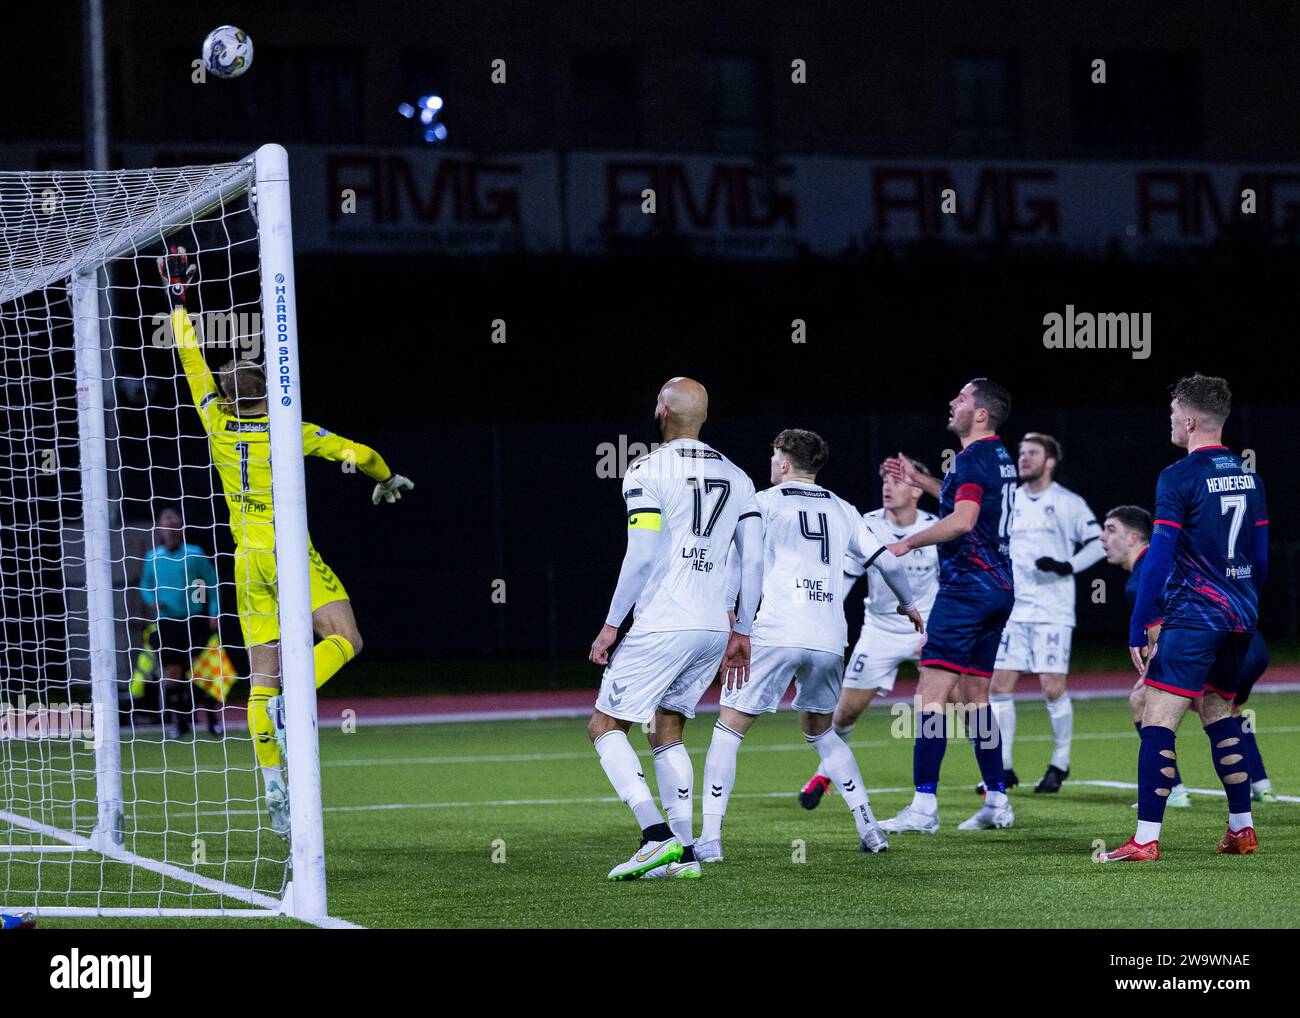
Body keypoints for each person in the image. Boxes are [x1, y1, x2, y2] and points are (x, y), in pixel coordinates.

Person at [158, 247, 413, 835]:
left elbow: (190, 354)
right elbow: (363, 454)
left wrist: (179, 297)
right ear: (269, 392)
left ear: (223, 395)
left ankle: (272, 780)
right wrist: (385, 478)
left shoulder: (215, 419)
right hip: (291, 556)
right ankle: (293, 701)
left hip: (245, 562)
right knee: (346, 639)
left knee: (260, 677)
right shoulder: (288, 426)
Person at [699, 430, 920, 860]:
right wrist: (909, 604)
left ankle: (709, 839)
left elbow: (742, 560)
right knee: (822, 733)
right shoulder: (842, 508)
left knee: (728, 730)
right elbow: (889, 560)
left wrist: (730, 613)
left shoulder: (763, 502)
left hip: (778, 630)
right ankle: (870, 828)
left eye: (773, 456)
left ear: (783, 463)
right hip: (829, 635)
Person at [587, 377, 761, 881]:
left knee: (604, 725)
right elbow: (752, 559)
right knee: (667, 729)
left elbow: (641, 553)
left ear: (662, 410)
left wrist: (610, 625)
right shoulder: (738, 475)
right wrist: (743, 629)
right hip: (712, 626)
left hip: (664, 621)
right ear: (703, 418)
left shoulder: (645, 467)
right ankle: (684, 854)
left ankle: (654, 836)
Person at [1100, 374, 1268, 862]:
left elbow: (1159, 556)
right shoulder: (1248, 475)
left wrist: (1140, 621)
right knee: (1219, 714)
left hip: (1195, 616)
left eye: (1174, 414)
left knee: (1158, 718)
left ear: (1190, 420)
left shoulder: (1178, 475)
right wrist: (1244, 602)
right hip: (1241, 616)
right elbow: (1259, 557)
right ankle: (1242, 829)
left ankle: (1146, 840)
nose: (1171, 422)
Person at [877, 378, 1019, 834]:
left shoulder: (974, 456)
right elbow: (967, 503)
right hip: (998, 587)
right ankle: (997, 800)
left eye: (961, 398)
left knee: (930, 698)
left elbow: (963, 520)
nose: (952, 403)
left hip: (967, 590)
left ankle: (923, 806)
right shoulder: (997, 455)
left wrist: (907, 542)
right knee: (976, 698)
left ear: (980, 413)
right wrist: (921, 481)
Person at [799, 457, 938, 810]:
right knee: (844, 714)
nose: (888, 488)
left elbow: (950, 583)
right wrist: (818, 613)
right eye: (885, 481)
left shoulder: (937, 528)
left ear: (918, 490)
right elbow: (845, 577)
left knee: (962, 703)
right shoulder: (867, 524)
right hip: (879, 631)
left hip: (929, 628)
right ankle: (824, 773)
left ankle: (994, 784)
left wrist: (940, 628)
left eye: (897, 481)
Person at [987, 433, 1104, 794]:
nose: (1024, 458)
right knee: (998, 686)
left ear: (1049, 461)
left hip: (1052, 609)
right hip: (1013, 610)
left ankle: (1059, 763)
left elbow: (1099, 543)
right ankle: (1003, 767)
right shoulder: (1010, 501)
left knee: (1052, 687)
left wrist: (1067, 565)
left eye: (1032, 453)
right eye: (1021, 453)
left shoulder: (1068, 502)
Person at [137, 506, 221, 738]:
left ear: (181, 527)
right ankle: (180, 723)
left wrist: (213, 611)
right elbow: (145, 584)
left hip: (194, 620)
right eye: (166, 524)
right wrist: (151, 600)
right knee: (173, 674)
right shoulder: (153, 557)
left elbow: (211, 583)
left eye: (175, 524)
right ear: (159, 529)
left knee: (201, 672)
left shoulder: (194, 554)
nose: (171, 528)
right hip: (167, 622)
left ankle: (212, 721)